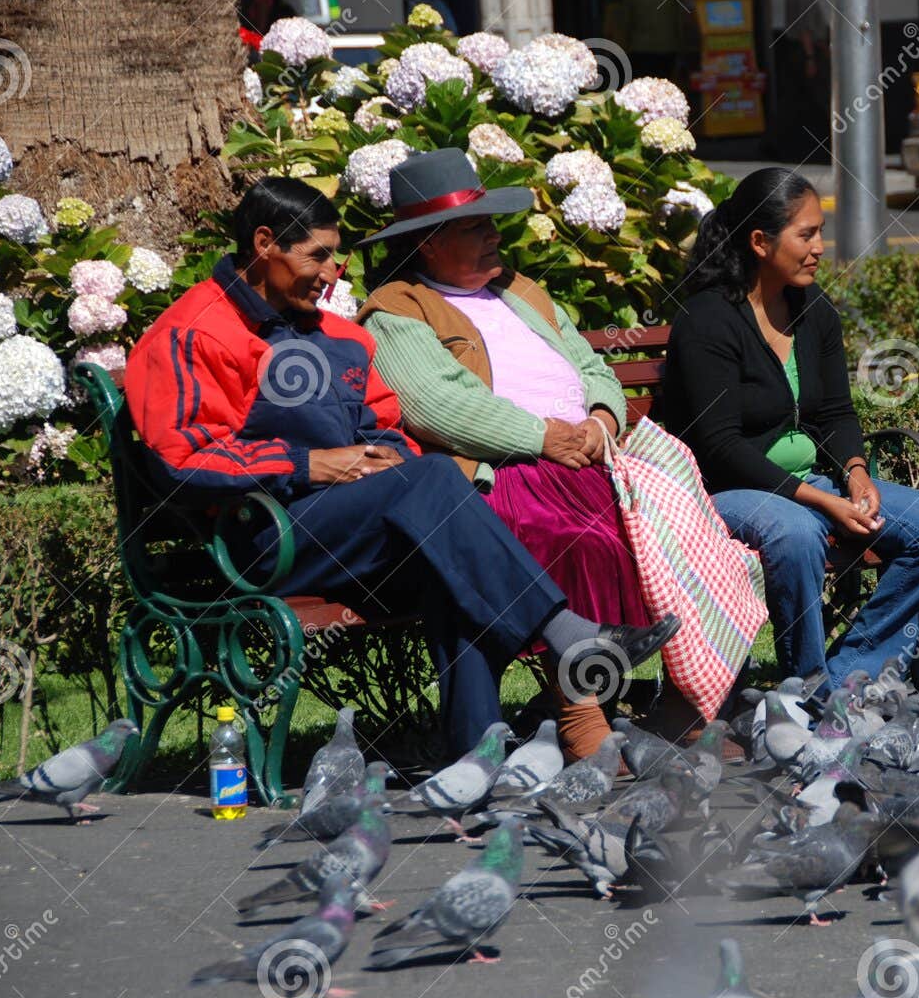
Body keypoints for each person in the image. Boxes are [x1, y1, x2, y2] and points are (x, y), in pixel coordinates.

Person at [124, 178, 678, 759]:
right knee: (439, 483)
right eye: (317, 255)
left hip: (355, 530)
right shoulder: (191, 333)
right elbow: (180, 461)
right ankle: (570, 636)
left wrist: (386, 460)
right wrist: (310, 464)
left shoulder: (338, 335)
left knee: (451, 554)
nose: (333, 272)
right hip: (267, 537)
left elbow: (385, 426)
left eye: (334, 256)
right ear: (265, 244)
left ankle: (476, 758)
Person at [353, 149, 667, 759]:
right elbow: (436, 405)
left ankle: (681, 702)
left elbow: (591, 366)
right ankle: (583, 716)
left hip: (588, 457)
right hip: (505, 471)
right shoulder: (396, 310)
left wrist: (601, 420)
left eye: (492, 222)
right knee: (577, 536)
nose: (495, 236)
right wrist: (542, 437)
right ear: (428, 244)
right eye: (475, 226)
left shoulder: (522, 292)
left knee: (665, 528)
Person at [665, 168, 919, 687]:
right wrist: (821, 502)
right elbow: (718, 446)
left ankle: (850, 675)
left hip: (811, 485)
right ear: (760, 242)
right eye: (806, 234)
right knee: (798, 533)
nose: (820, 247)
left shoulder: (814, 309)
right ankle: (804, 681)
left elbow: (836, 413)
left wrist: (856, 475)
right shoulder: (707, 320)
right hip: (724, 490)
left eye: (820, 232)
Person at [781, 0, 831, 163]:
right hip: (807, 51)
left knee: (798, 99)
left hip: (799, 50)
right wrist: (811, 57)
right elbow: (806, 29)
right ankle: (822, 146)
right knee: (820, 99)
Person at [621, 0, 688, 84]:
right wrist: (682, 51)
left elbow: (626, 23)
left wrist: (625, 47)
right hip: (667, 48)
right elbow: (680, 24)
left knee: (643, 90)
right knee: (664, 88)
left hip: (640, 49)